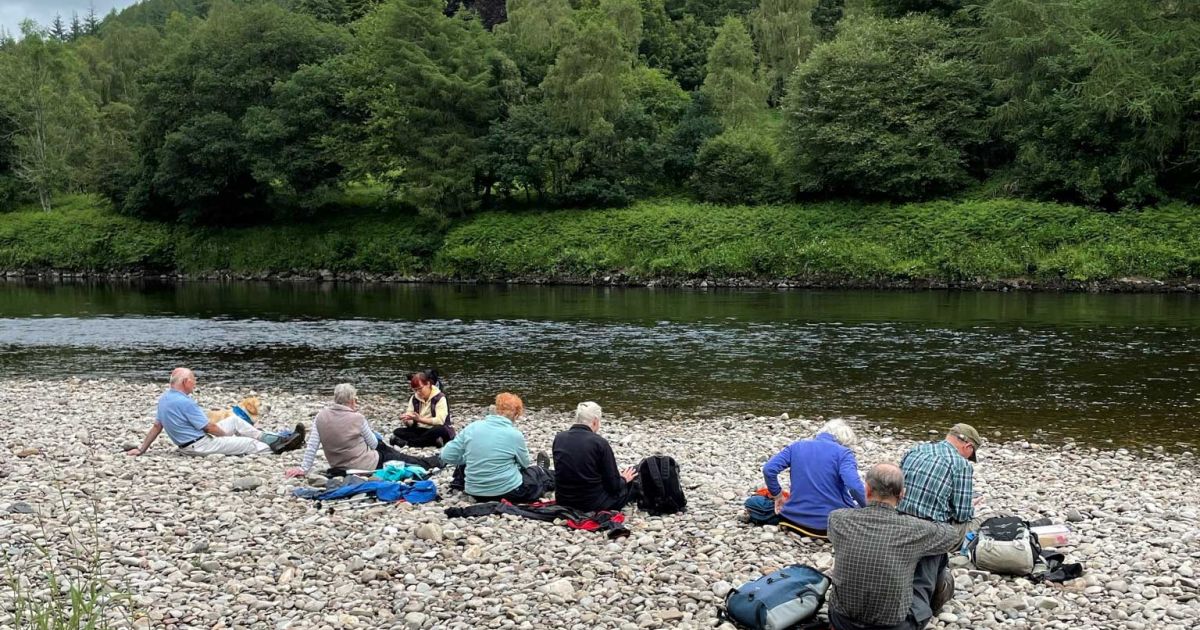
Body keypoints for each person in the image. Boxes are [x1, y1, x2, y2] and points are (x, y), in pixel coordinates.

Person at [826, 464, 961, 630]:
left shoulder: (838, 519)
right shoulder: (915, 529)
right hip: (895, 626)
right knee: (935, 550)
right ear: (902, 494)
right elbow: (952, 536)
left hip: (842, 621)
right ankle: (934, 605)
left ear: (866, 490)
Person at [897, 423, 983, 625]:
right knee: (978, 522)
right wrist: (970, 505)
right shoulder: (960, 464)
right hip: (930, 530)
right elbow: (962, 515)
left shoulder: (916, 449)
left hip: (898, 521)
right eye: (970, 454)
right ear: (968, 447)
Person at [127, 368, 305, 457]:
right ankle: (281, 447)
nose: (195, 384)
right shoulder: (185, 402)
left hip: (190, 442)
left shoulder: (165, 398)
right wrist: (225, 436)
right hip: (199, 444)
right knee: (247, 444)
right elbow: (208, 428)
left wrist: (142, 449)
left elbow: (157, 426)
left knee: (235, 421)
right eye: (193, 381)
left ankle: (273, 438)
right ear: (186, 382)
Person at [284, 383, 441, 478]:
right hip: (365, 464)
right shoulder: (357, 418)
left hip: (337, 463)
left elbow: (312, 445)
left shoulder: (321, 416)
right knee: (392, 453)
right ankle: (432, 462)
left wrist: (303, 469)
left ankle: (429, 460)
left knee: (387, 449)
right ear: (352, 400)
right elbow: (372, 445)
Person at [743, 419, 866, 538]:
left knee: (754, 502)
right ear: (844, 441)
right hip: (832, 525)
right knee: (860, 507)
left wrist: (778, 495)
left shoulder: (797, 447)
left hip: (794, 521)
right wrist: (868, 508)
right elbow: (854, 487)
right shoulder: (844, 453)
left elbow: (769, 469)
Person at [439, 392, 553, 503]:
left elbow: (446, 455)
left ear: (496, 409)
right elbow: (525, 464)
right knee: (536, 473)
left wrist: (467, 459)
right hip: (508, 492)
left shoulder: (472, 427)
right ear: (516, 415)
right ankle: (545, 472)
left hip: (475, 493)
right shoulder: (514, 434)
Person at [551, 402, 638, 512]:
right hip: (592, 503)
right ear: (595, 421)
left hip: (563, 500)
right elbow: (614, 486)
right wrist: (624, 479)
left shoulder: (559, 438)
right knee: (632, 483)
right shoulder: (599, 443)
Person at [391, 370, 454, 448]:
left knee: (439, 430)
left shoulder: (440, 397)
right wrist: (407, 420)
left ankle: (408, 444)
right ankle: (433, 442)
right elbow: (411, 421)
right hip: (422, 430)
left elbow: (440, 421)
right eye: (415, 390)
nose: (418, 392)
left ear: (428, 384)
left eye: (420, 389)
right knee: (397, 431)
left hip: (437, 428)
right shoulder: (414, 398)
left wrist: (420, 419)